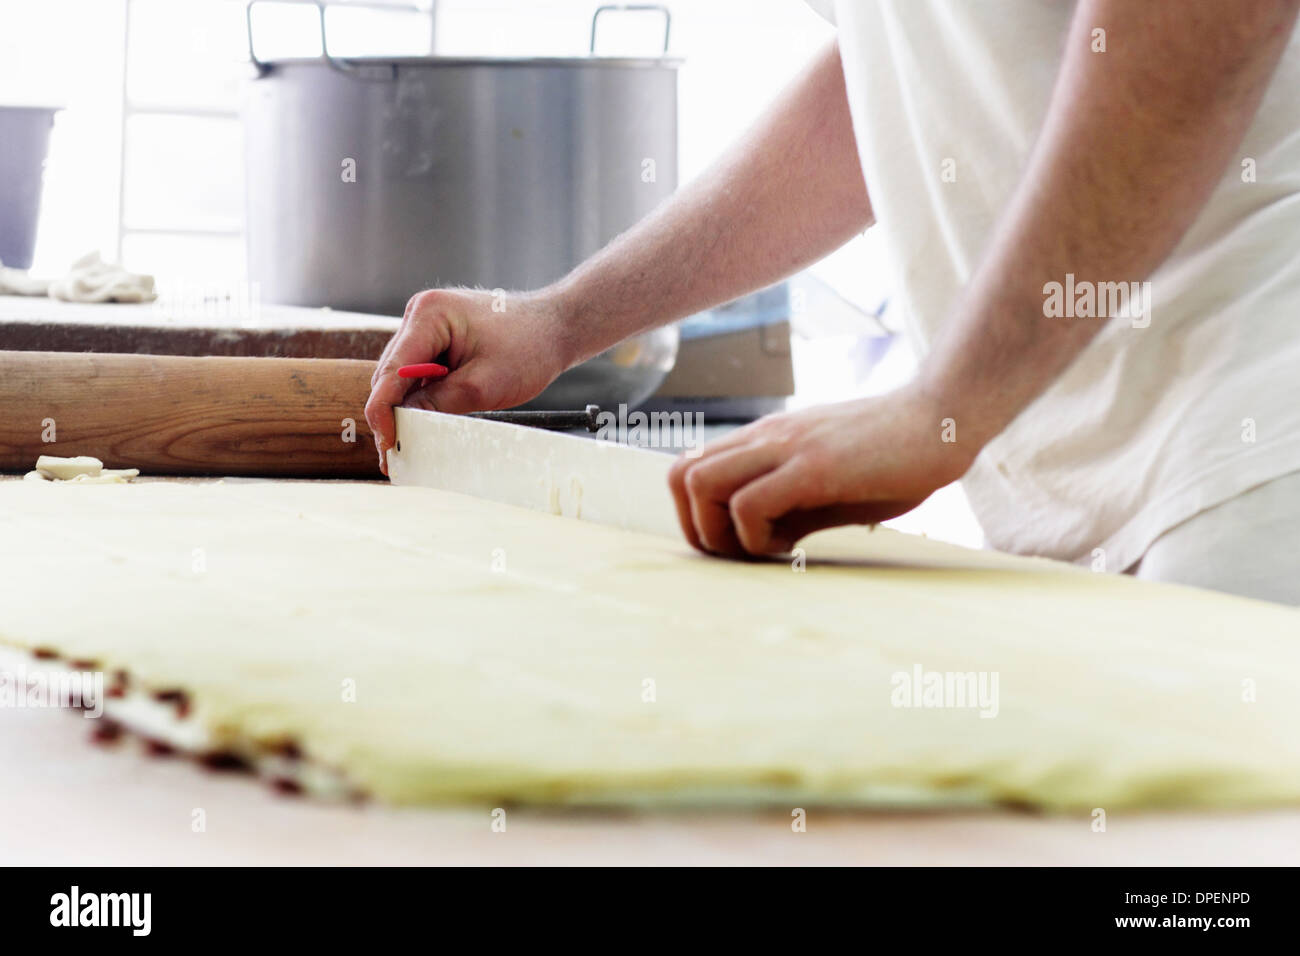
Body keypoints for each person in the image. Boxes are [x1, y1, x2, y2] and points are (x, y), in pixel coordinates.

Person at [366, 0, 1300, 605]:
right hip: (1090, 507)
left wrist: (946, 408)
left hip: (1256, 444)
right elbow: (890, 89)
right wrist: (561, 319)